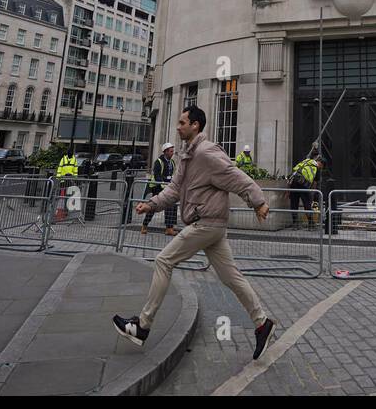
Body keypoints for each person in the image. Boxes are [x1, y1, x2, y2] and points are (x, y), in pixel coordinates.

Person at [113, 106, 276, 359]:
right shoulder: (188, 156)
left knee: (163, 261)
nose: (178, 127)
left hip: (206, 223)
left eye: (182, 122)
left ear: (196, 125)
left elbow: (236, 176)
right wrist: (152, 204)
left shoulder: (207, 152)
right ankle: (262, 323)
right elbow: (174, 189)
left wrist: (258, 202)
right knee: (231, 277)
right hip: (211, 226)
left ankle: (142, 326)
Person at [141, 142, 178, 236]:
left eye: (173, 151)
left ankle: (169, 228)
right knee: (153, 207)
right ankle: (144, 225)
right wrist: (165, 186)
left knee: (171, 205)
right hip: (158, 187)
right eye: (170, 151)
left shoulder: (172, 162)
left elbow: (173, 175)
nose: (172, 153)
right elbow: (157, 176)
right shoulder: (159, 162)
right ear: (165, 152)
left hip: (167, 187)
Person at [289, 149, 323, 228]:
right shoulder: (316, 166)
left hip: (294, 182)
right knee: (307, 204)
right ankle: (311, 224)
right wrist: (312, 193)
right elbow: (315, 183)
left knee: (294, 203)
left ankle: (295, 224)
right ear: (319, 161)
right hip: (303, 184)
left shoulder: (305, 161)